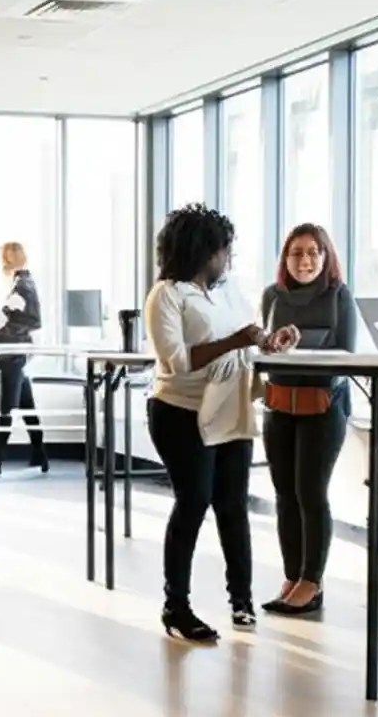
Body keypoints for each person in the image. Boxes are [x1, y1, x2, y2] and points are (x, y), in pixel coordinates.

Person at [145, 203, 292, 643]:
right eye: (223, 249)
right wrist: (235, 340)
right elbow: (178, 361)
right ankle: (177, 606)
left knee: (232, 506)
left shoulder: (229, 291)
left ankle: (241, 600)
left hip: (230, 407)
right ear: (202, 250)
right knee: (193, 503)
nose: (228, 257)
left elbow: (251, 341)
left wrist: (271, 342)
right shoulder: (166, 295)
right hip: (179, 413)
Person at [258, 224, 355, 616]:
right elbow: (265, 347)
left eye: (314, 251)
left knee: (310, 493)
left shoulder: (339, 296)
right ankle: (291, 576)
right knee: (283, 494)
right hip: (279, 402)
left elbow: (347, 352)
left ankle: (312, 582)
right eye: (296, 253)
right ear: (285, 258)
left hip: (323, 404)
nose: (305, 260)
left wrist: (302, 344)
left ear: (326, 255)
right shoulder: (271, 296)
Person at [0, 241, 48, 476]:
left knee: (5, 410)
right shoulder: (23, 284)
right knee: (26, 405)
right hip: (15, 355)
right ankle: (40, 455)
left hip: (13, 356)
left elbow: (32, 320)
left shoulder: (21, 287)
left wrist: (0, 327)